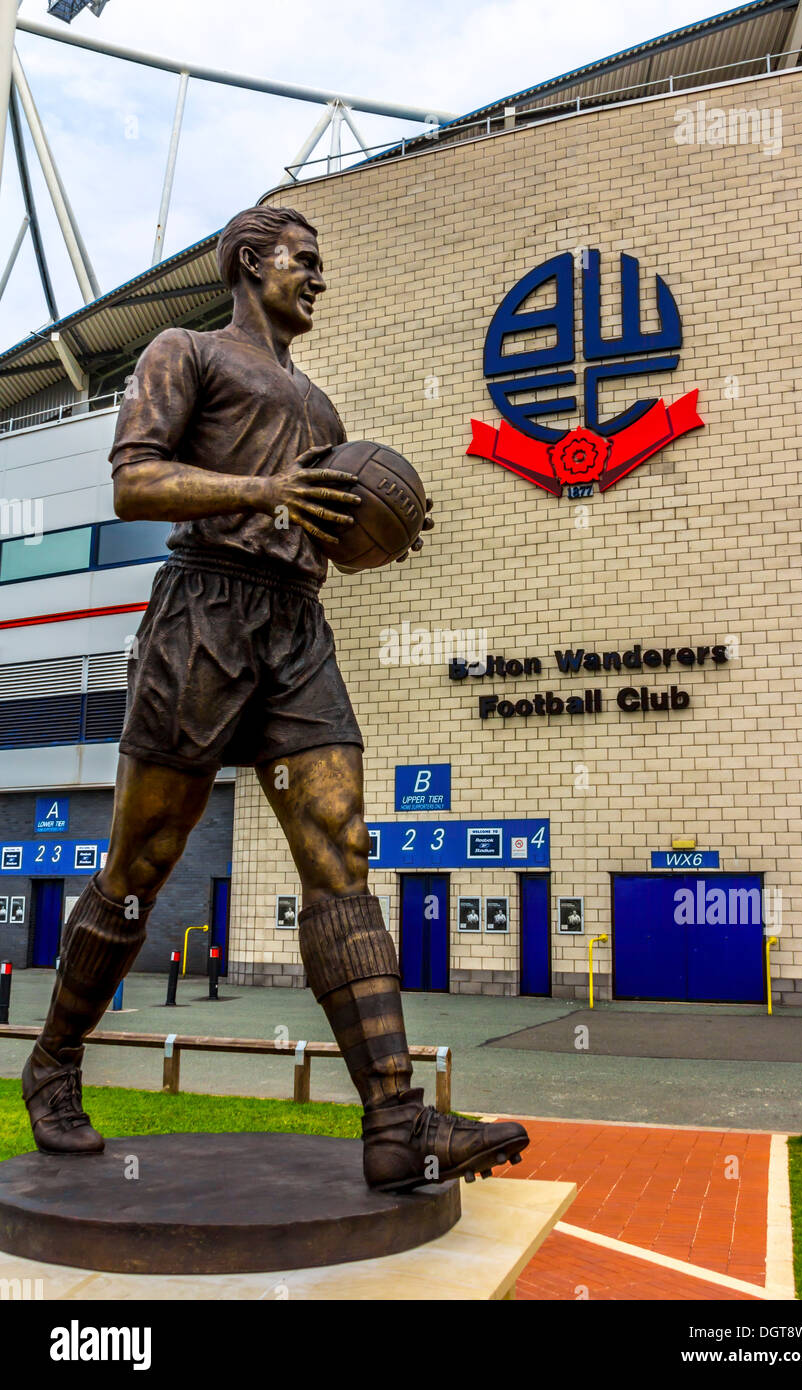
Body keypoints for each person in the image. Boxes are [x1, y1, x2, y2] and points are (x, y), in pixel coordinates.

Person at [22, 204, 528, 1191]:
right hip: (202, 615)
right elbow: (134, 483)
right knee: (142, 861)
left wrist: (378, 534)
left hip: (294, 627)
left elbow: (325, 520)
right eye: (305, 261)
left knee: (340, 847)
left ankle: (394, 1116)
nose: (317, 278)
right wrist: (262, 493)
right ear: (251, 263)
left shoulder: (325, 413)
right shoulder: (184, 351)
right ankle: (53, 1062)